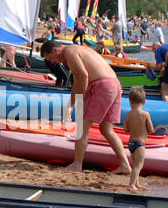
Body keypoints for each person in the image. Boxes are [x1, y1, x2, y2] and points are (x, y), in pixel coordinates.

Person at [41, 39, 130, 174]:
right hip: (115, 84)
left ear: (55, 50)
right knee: (106, 129)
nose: (53, 62)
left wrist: (74, 104)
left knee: (82, 126)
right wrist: (71, 104)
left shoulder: (69, 51)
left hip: (102, 86)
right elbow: (79, 80)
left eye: (51, 58)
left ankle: (77, 165)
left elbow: (83, 77)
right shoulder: (79, 49)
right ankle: (125, 165)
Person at [123, 85, 154, 190]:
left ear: (130, 101)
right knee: (139, 165)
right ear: (144, 102)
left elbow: (126, 130)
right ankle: (131, 185)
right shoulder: (145, 114)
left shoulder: (128, 114)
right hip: (140, 144)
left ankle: (136, 183)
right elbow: (151, 130)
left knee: (135, 163)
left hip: (131, 143)